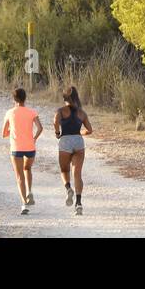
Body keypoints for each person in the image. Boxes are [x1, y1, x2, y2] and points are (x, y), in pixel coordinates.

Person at [1, 87, 43, 214]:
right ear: (25, 98)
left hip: (16, 148)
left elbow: (3, 133)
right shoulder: (32, 112)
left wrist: (13, 132)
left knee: (19, 177)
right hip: (30, 147)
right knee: (28, 169)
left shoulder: (10, 113)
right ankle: (30, 192)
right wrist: (34, 138)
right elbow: (40, 128)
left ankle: (24, 204)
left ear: (14, 99)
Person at [53, 85, 92, 216]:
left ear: (64, 97)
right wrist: (81, 133)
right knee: (77, 174)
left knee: (64, 170)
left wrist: (57, 132)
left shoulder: (61, 111)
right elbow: (90, 130)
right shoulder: (82, 113)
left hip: (65, 141)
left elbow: (55, 121)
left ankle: (68, 189)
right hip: (78, 141)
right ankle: (79, 204)